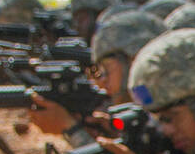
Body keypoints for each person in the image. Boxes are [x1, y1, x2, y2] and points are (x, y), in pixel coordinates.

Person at [27, 10, 166, 144]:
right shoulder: (146, 102)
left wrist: (71, 129)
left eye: (106, 69)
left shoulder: (163, 112)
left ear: (133, 61)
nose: (102, 81)